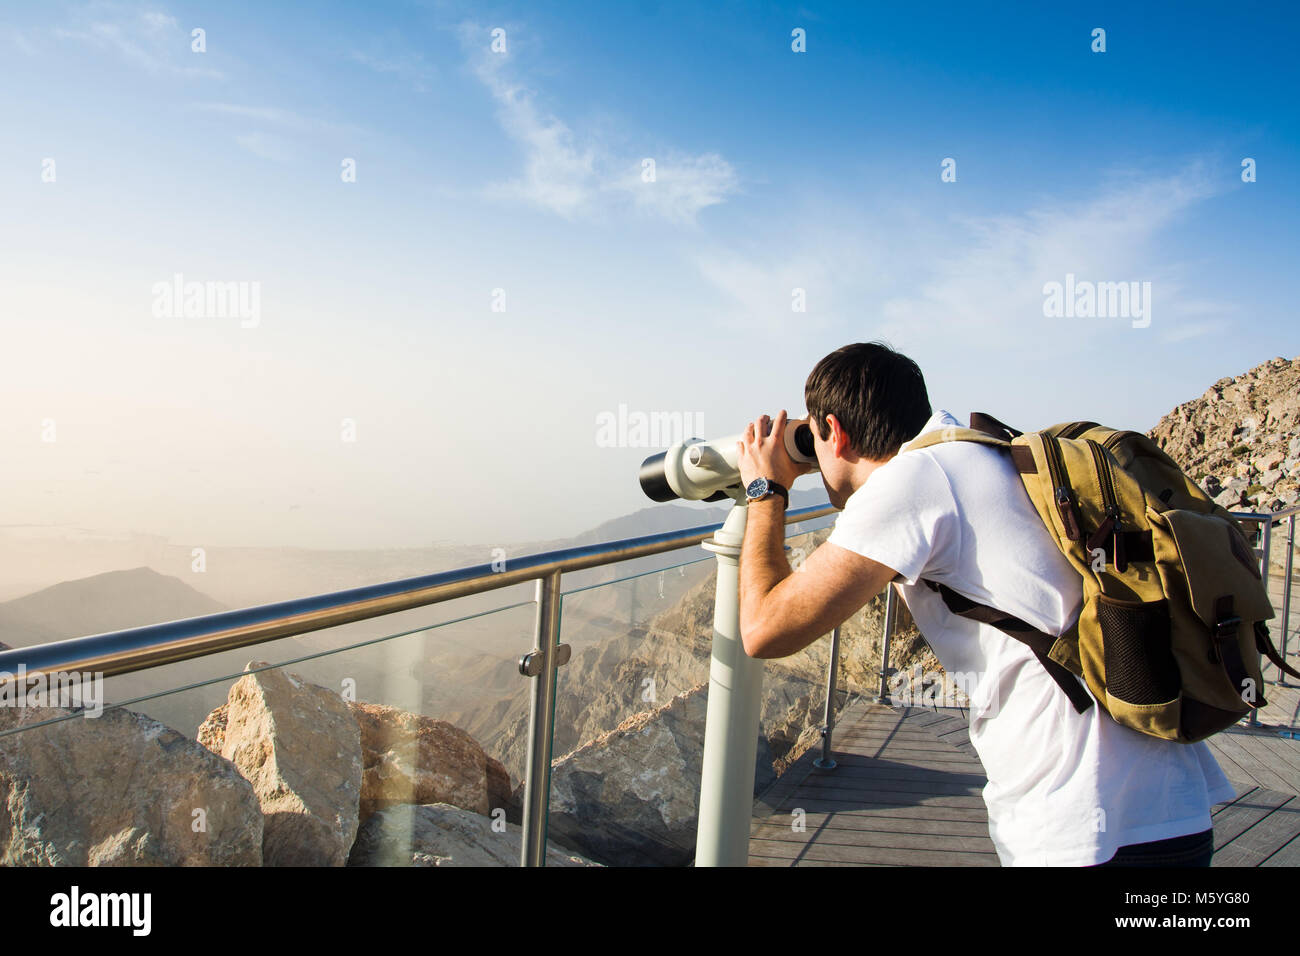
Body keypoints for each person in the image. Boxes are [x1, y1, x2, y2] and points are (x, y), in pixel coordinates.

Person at [734, 340, 1235, 866]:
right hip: (1170, 809)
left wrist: (766, 490)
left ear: (834, 432)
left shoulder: (912, 481)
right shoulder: (989, 451)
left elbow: (765, 629)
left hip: (1080, 822)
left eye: (813, 438)